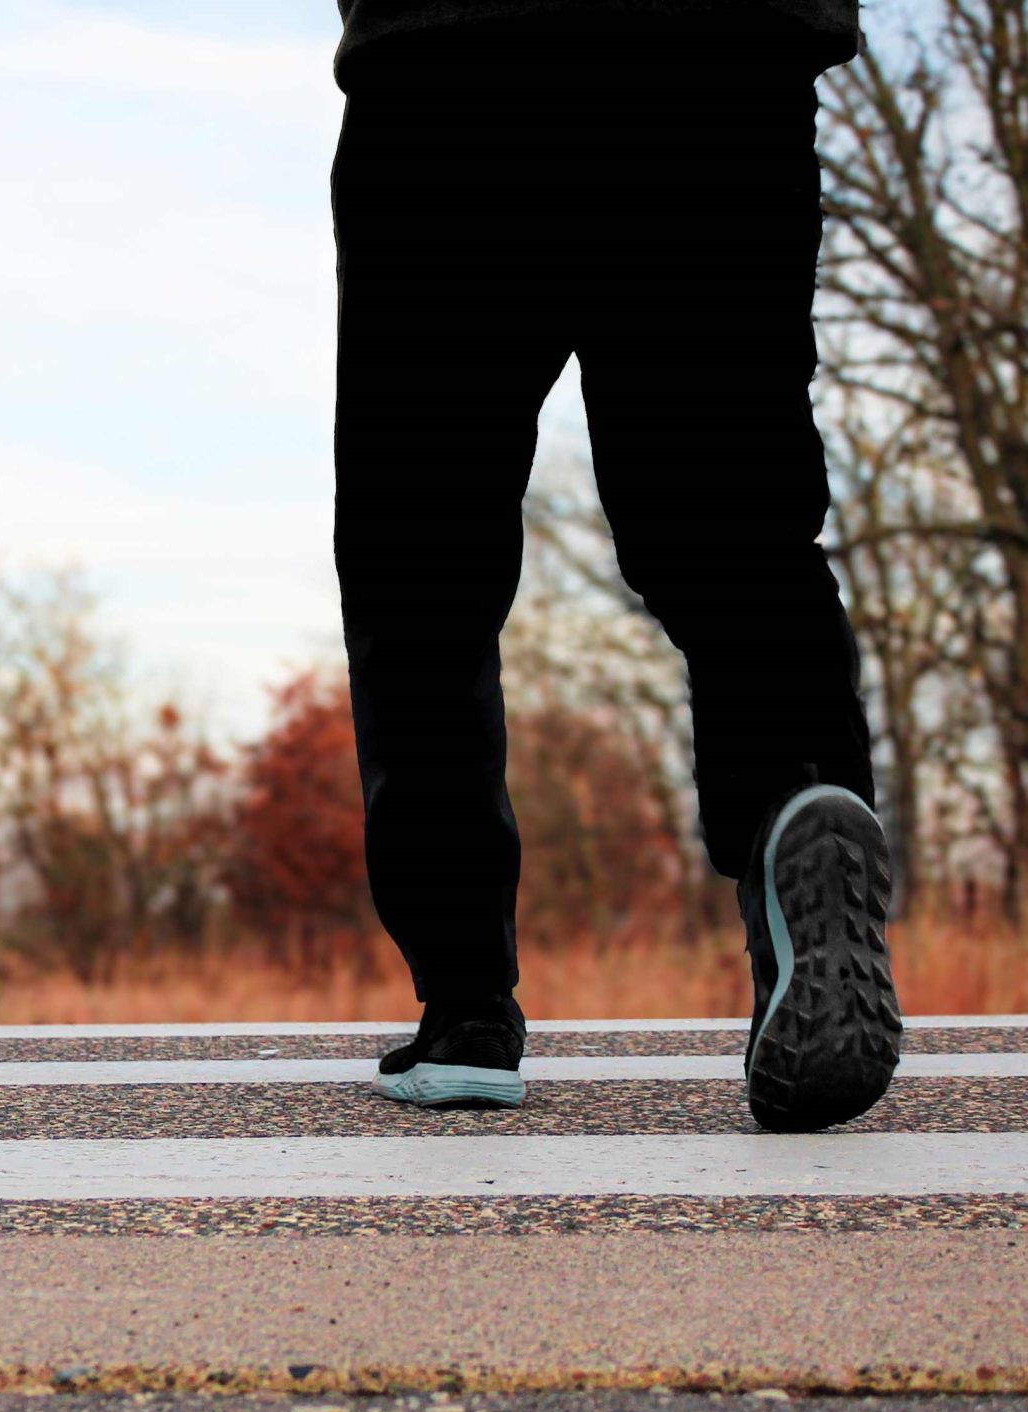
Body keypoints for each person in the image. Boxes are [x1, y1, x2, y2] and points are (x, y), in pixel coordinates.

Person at [329, 0, 903, 1133]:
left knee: (423, 548)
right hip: (721, 67)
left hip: (446, 64)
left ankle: (466, 1011)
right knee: (730, 525)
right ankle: (796, 792)